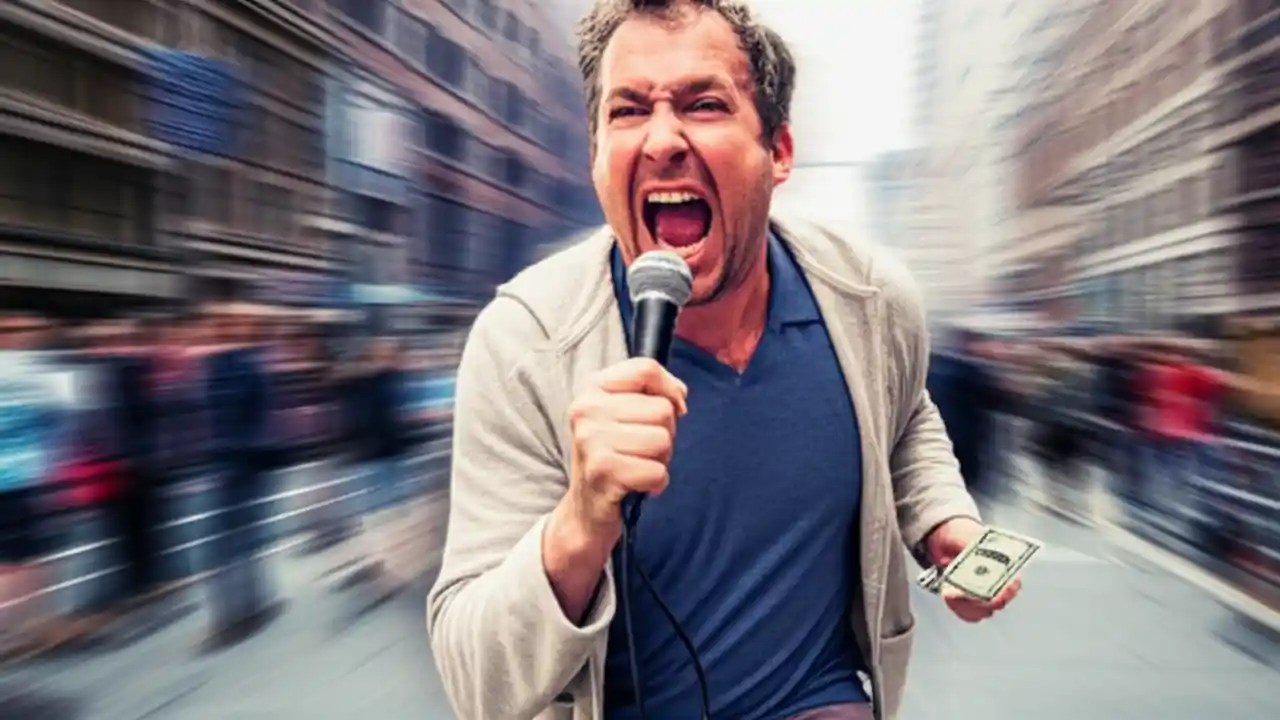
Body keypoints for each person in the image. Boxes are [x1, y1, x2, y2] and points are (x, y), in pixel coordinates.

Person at [427, 2, 1021, 719]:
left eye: (703, 104)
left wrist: (943, 525)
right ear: (595, 156)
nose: (662, 139)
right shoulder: (523, 342)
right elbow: (476, 685)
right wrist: (581, 521)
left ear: (778, 151)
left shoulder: (869, 299)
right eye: (627, 110)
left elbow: (902, 422)